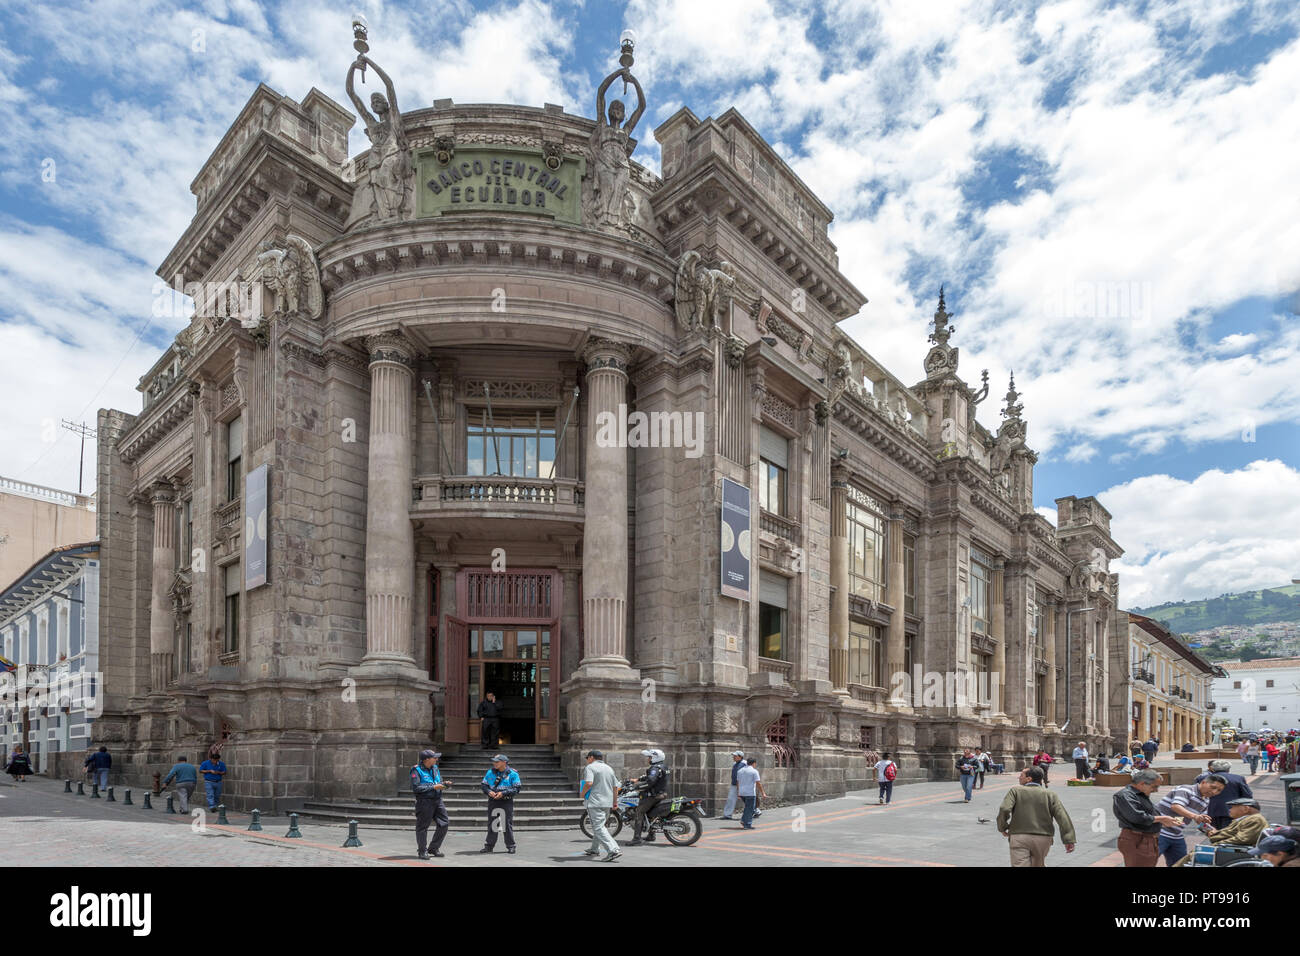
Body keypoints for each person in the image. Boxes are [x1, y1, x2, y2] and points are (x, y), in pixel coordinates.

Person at [996, 766, 1077, 867]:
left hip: (1019, 837)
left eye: (1021, 775)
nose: (1019, 777)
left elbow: (1004, 808)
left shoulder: (1015, 791)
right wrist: (1068, 839)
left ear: (1029, 779)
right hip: (1043, 838)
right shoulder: (1050, 794)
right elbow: (1062, 816)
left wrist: (1002, 827)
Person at [1112, 769, 1182, 867]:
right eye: (1154, 786)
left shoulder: (1141, 794)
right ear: (1142, 784)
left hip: (1147, 839)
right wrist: (1162, 819)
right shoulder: (1124, 795)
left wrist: (1163, 822)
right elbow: (1137, 817)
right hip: (1138, 839)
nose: (1156, 790)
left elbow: (1147, 815)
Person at [1154, 775, 1227, 867]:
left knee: (1180, 863)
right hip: (1160, 832)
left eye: (1219, 790)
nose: (1214, 792)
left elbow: (1200, 820)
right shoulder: (1186, 790)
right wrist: (1195, 816)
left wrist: (1212, 831)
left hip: (1176, 834)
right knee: (1147, 861)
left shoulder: (1206, 800)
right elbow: (1176, 806)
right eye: (1213, 787)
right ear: (1204, 782)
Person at [1171, 798, 1269, 865]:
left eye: (1233, 807)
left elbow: (1242, 839)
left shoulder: (1255, 819)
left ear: (1246, 808)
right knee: (1192, 854)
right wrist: (1214, 833)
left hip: (1234, 852)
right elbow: (1231, 834)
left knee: (1193, 855)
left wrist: (1217, 843)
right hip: (1231, 849)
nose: (1230, 810)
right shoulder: (1246, 819)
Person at [580, 749, 621, 862]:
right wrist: (615, 802)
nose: (587, 760)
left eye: (588, 758)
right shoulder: (609, 768)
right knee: (600, 826)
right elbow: (615, 787)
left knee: (598, 827)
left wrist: (582, 794)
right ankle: (594, 849)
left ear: (592, 757)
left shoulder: (590, 767)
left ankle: (613, 849)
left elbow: (589, 783)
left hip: (595, 802)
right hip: (607, 802)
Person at [410, 748, 449, 860]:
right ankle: (422, 851)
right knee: (422, 827)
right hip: (424, 802)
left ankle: (433, 848)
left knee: (444, 823)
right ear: (427, 759)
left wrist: (444, 784)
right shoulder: (416, 770)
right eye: (434, 757)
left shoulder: (435, 768)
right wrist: (433, 787)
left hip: (437, 800)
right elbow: (416, 788)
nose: (436, 759)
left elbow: (438, 782)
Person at [1195, 759, 1253, 830]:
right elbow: (1248, 795)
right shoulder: (1238, 778)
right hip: (1231, 811)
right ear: (1228, 769)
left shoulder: (1203, 778)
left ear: (1212, 769)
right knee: (1229, 833)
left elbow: (1196, 793)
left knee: (1212, 833)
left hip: (1208, 811)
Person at [480, 753, 521, 854]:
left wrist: (503, 793)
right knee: (493, 824)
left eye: (497, 762)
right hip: (493, 801)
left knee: (506, 824)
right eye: (494, 761)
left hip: (506, 802)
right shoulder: (490, 772)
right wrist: (489, 791)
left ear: (504, 762)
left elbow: (517, 788)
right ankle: (489, 846)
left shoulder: (513, 774)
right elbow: (484, 785)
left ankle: (511, 846)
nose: (494, 763)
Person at [628, 748, 670, 845]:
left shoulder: (655, 768)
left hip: (654, 795)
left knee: (639, 812)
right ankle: (651, 835)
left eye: (649, 757)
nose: (648, 759)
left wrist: (636, 786)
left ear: (655, 758)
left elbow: (650, 781)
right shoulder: (663, 766)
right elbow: (653, 777)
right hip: (662, 794)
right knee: (650, 813)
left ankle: (637, 838)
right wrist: (638, 779)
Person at [737, 757, 765, 829]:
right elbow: (758, 783)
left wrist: (738, 792)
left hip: (742, 792)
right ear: (754, 763)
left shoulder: (740, 771)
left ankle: (743, 820)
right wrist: (763, 793)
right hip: (750, 793)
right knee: (750, 809)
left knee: (748, 808)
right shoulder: (754, 771)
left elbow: (738, 782)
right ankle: (747, 824)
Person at [721, 750, 745, 820]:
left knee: (747, 799)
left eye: (735, 756)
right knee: (730, 799)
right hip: (734, 784)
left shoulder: (744, 764)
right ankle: (727, 815)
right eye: (733, 756)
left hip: (742, 784)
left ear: (740, 757)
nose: (734, 757)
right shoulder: (735, 764)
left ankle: (756, 811)